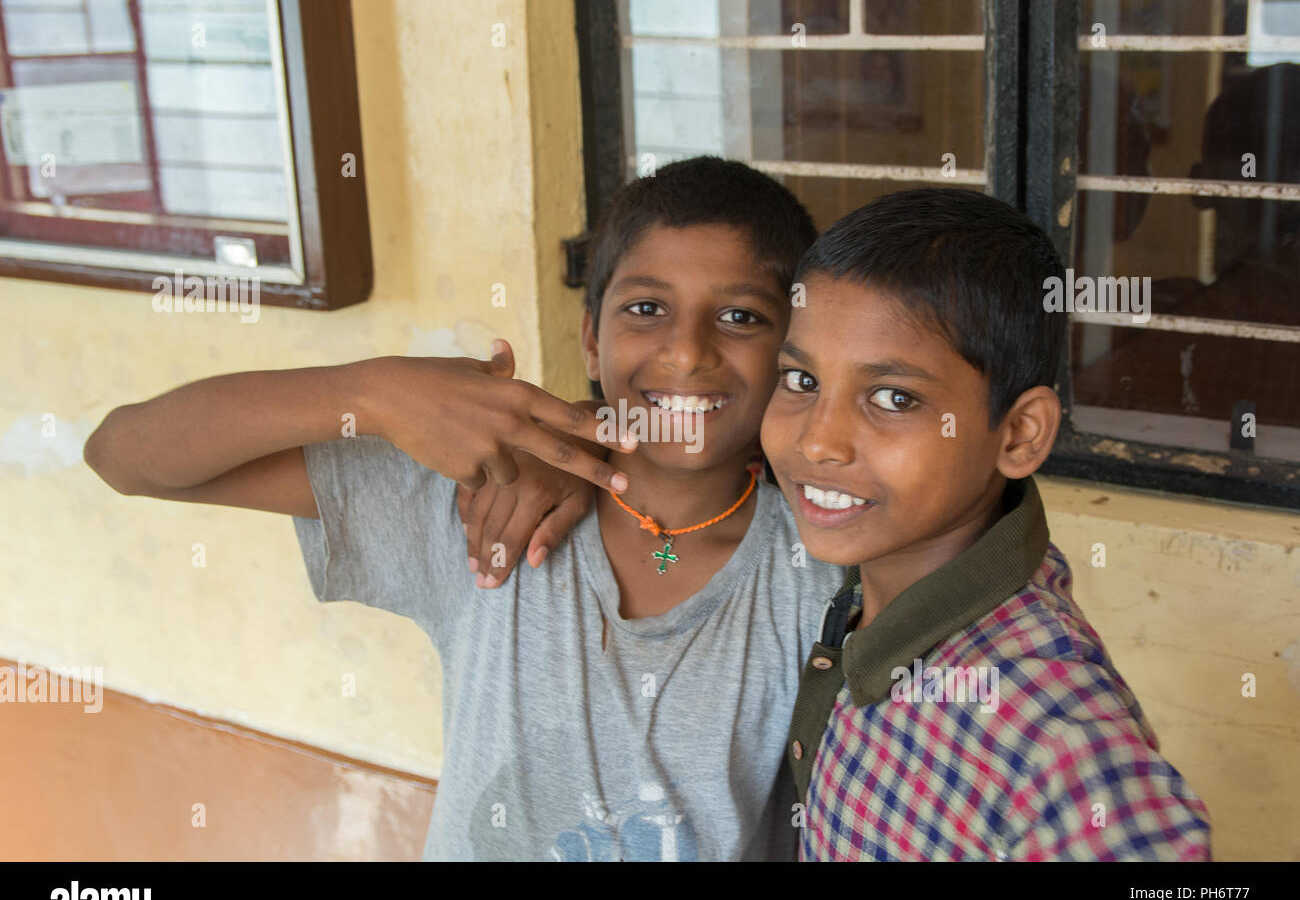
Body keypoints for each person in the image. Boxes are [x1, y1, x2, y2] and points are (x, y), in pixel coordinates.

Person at [83, 156, 846, 861]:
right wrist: (374, 393)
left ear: (794, 350)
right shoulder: (477, 501)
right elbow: (124, 453)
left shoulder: (822, 576)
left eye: (741, 317)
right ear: (589, 339)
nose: (686, 353)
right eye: (646, 307)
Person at [761, 188, 1212, 860]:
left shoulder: (1050, 732)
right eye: (800, 381)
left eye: (893, 398)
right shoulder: (871, 576)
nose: (819, 441)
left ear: (1020, 433)